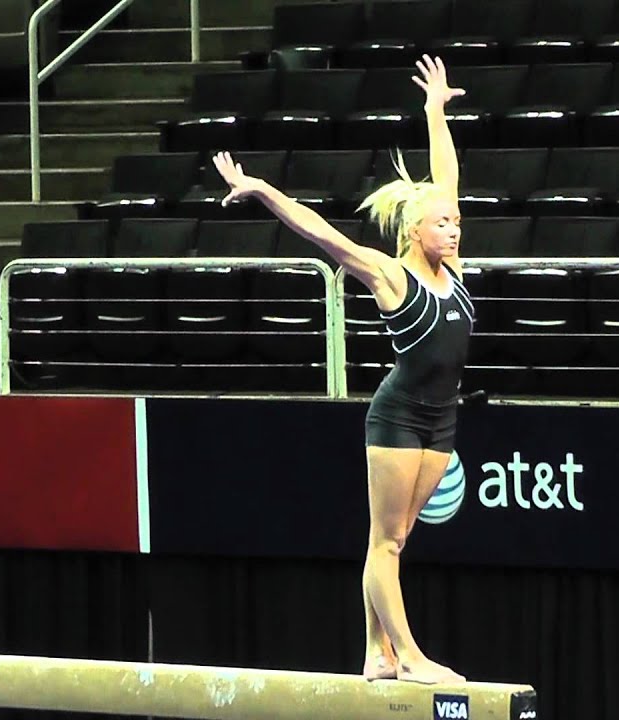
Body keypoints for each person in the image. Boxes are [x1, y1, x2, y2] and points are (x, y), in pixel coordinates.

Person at [213, 55, 473, 686]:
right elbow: (322, 234)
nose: (456, 229)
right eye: (444, 222)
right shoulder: (391, 275)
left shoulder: (455, 272)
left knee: (395, 541)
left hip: (442, 420)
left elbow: (447, 176)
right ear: (415, 229)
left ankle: (373, 653)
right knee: (386, 542)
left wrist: (435, 113)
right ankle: (407, 656)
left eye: (458, 222)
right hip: (398, 415)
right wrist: (262, 189)